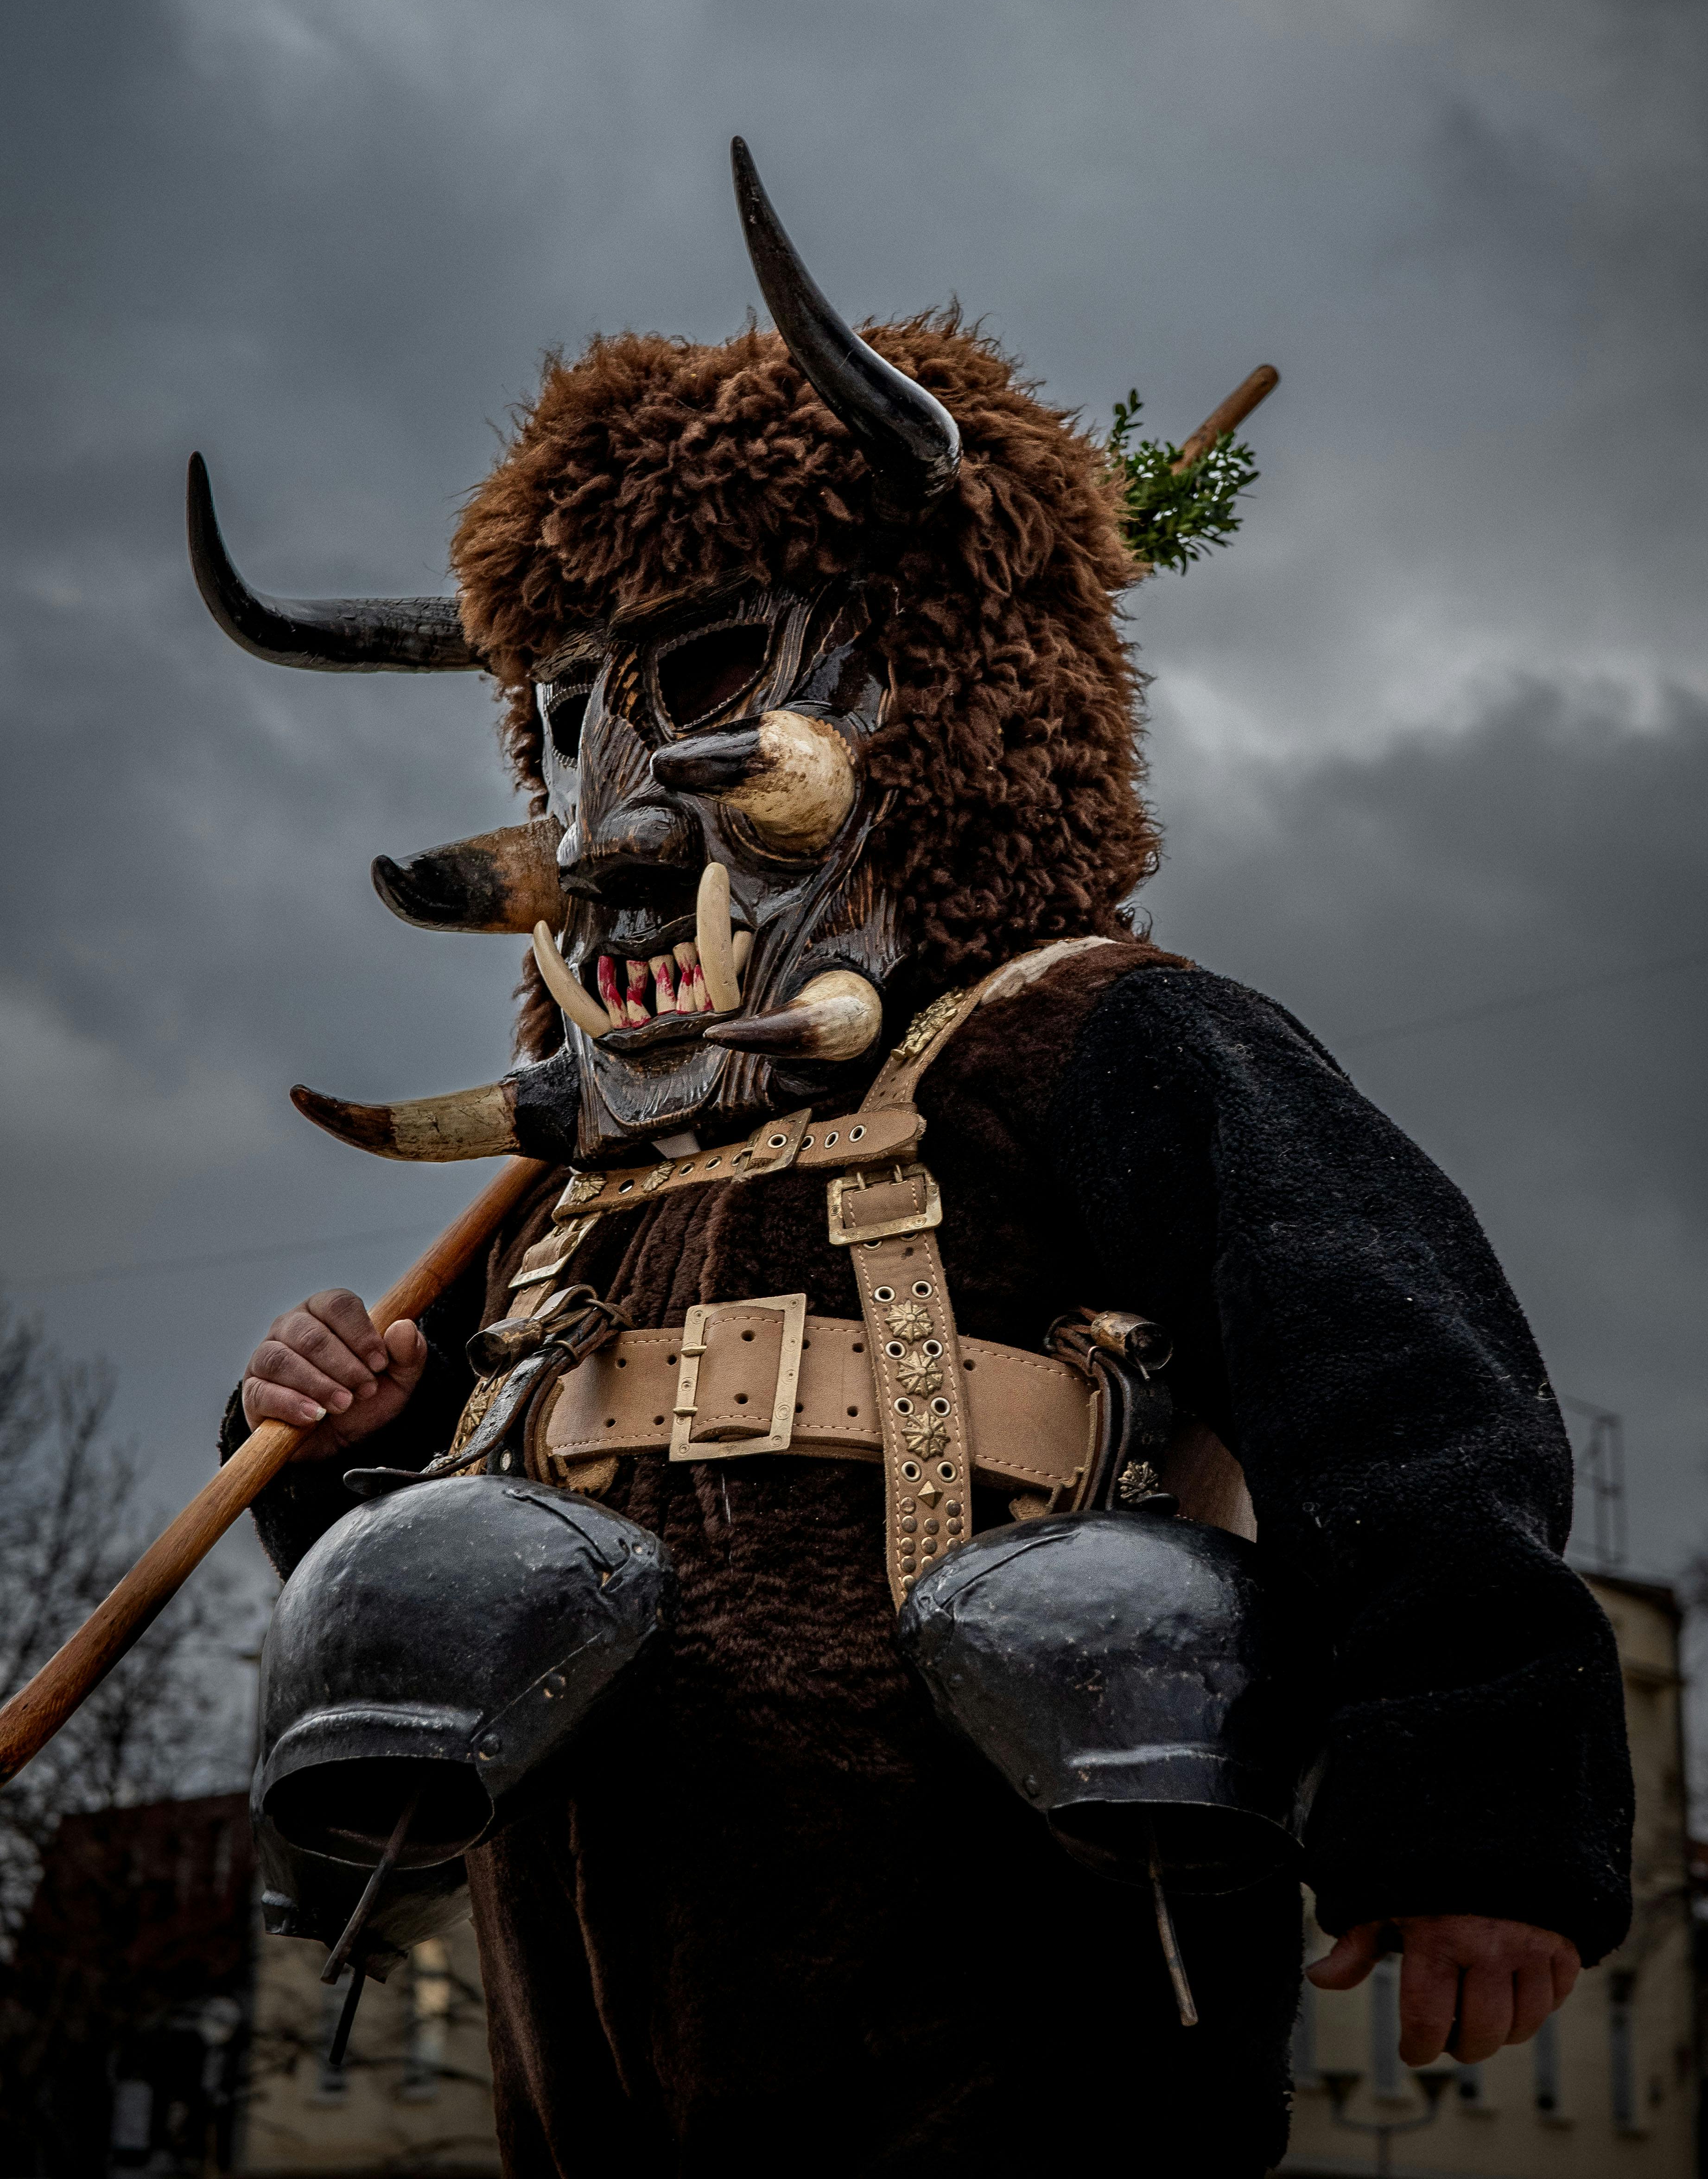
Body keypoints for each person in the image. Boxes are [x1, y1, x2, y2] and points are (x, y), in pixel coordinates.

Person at [211, 143, 1630, 2175]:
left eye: (700, 673)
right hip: (591, 2026)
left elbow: (1403, 1377)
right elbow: (484, 1563)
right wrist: (360, 1445)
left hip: (1006, 2006)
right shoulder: (578, 1177)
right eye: (571, 711)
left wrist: (1481, 1803)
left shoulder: (1098, 1034)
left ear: (936, 689)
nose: (622, 797)